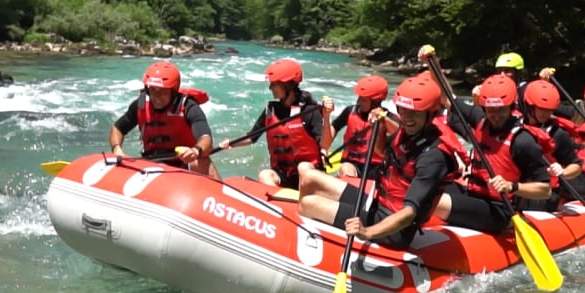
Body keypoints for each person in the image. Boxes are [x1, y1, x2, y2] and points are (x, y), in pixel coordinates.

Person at [297, 75, 465, 249]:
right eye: (403, 110)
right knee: (310, 177)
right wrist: (380, 128)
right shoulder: (410, 133)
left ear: (430, 114)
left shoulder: (434, 158)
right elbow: (381, 152)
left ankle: (309, 244)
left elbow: (409, 213)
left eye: (415, 112)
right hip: (378, 203)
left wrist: (366, 232)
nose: (407, 117)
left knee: (309, 203)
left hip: (394, 227)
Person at [432, 75, 579, 233]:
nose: (495, 116)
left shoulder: (522, 141)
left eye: (501, 110)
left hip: (500, 208)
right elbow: (446, 96)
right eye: (491, 110)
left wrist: (512, 186)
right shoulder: (481, 120)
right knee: (425, 189)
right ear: (484, 108)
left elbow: (545, 190)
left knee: (434, 202)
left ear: (511, 107)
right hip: (473, 193)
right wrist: (431, 61)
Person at [218, 58, 323, 188]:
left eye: (274, 84)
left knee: (303, 167)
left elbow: (324, 143)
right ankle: (279, 204)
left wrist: (327, 115)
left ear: (288, 85)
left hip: (309, 174)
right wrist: (231, 144)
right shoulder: (270, 110)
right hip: (283, 173)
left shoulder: (309, 111)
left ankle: (304, 203)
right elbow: (252, 137)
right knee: (265, 175)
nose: (270, 87)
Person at [109, 61, 219, 179]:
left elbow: (206, 138)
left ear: (173, 91)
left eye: (162, 91)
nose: (156, 96)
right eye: (153, 90)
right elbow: (117, 129)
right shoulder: (140, 105)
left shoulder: (189, 107)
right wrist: (117, 149)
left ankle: (219, 193)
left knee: (200, 161)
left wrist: (196, 150)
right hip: (152, 162)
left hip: (184, 163)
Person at [517, 79, 584, 210]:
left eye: (549, 110)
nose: (546, 114)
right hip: (517, 187)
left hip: (544, 195)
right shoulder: (515, 125)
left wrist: (563, 171)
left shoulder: (558, 134)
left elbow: (577, 165)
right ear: (529, 106)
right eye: (542, 109)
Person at [319, 74, 398, 179]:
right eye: (359, 97)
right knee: (346, 168)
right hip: (352, 164)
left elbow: (401, 133)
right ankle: (348, 187)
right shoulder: (350, 111)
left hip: (377, 167)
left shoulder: (389, 118)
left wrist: (384, 121)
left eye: (364, 99)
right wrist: (323, 150)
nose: (359, 102)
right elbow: (326, 142)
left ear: (376, 101)